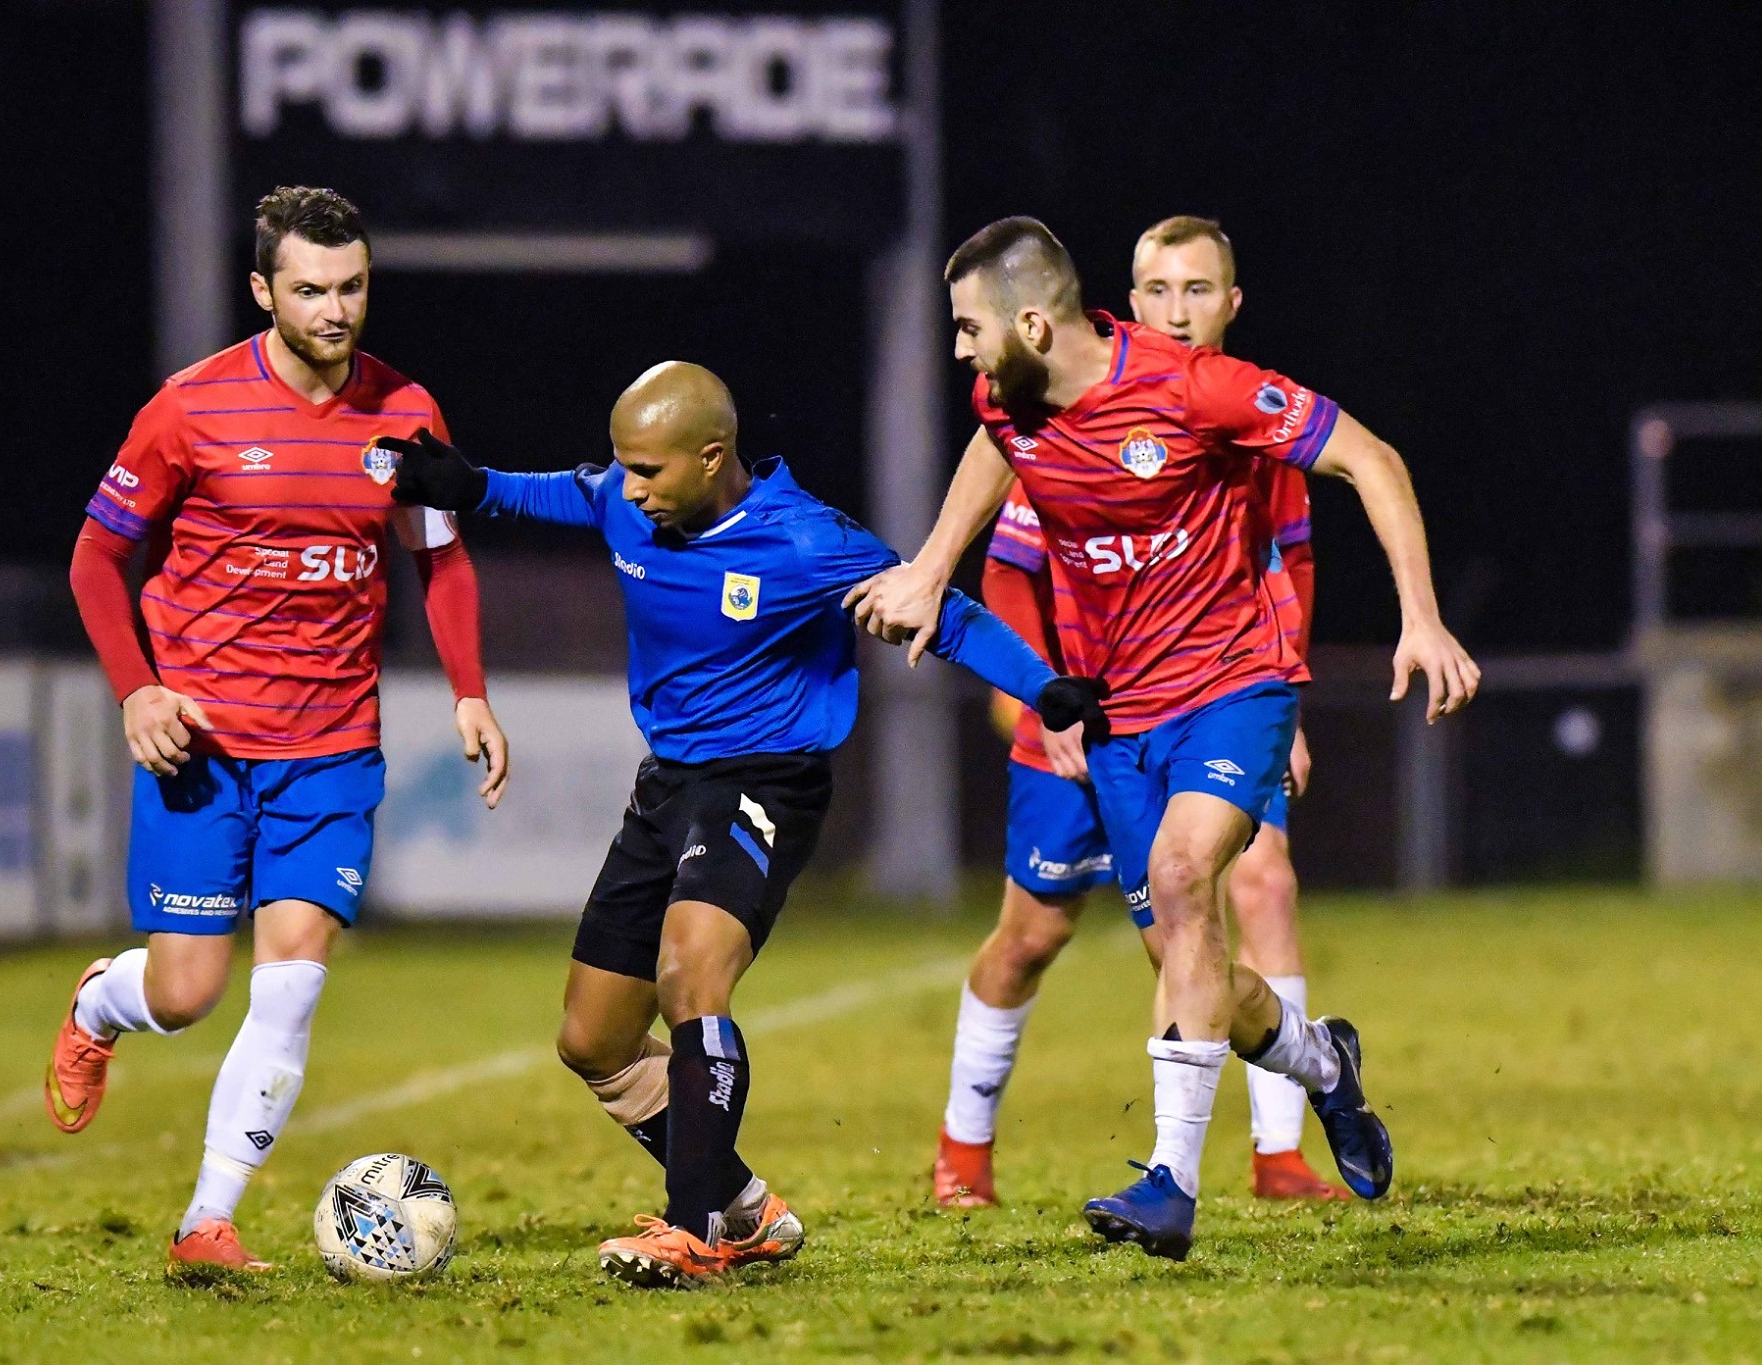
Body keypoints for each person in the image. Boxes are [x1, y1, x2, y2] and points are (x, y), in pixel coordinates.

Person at [377, 360, 1106, 1287]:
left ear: (713, 456)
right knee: (593, 1042)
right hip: (667, 787)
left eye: (648, 470)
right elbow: (556, 495)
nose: (629, 490)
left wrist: (1044, 689)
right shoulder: (625, 502)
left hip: (766, 780)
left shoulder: (806, 543)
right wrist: (466, 483)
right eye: (623, 468)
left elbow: (942, 611)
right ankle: (744, 1207)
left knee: (691, 974)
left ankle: (698, 1230)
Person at [850, 216, 1479, 1261]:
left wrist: (1419, 613)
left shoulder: (1194, 389)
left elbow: (1370, 458)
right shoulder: (1009, 399)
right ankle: (1323, 1068)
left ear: (1034, 325)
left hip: (1234, 687)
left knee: (1190, 879)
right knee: (1188, 963)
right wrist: (928, 566)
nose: (959, 350)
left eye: (968, 329)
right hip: (1115, 719)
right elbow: (990, 449)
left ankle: (1166, 1185)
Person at [43, 186, 509, 1272]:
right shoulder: (190, 408)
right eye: (309, 289)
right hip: (200, 744)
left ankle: (207, 1219)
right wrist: (135, 691)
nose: (336, 310)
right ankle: (105, 1002)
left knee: (292, 976)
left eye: (351, 287)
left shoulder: (406, 414)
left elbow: (437, 558)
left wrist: (468, 691)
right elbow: (95, 559)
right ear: (262, 290)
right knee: (187, 993)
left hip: (332, 747)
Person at [932, 216, 1346, 1210]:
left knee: (1254, 891)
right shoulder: (1054, 410)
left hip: (1210, 698)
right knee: (1032, 935)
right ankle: (962, 1153)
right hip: (1080, 720)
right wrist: (1037, 702)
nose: (1176, 311)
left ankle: (1269, 1156)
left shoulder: (1247, 421)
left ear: (1230, 303)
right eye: (1156, 291)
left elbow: (1287, 563)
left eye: (1196, 290)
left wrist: (1285, 696)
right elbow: (1010, 568)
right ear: (1118, 302)